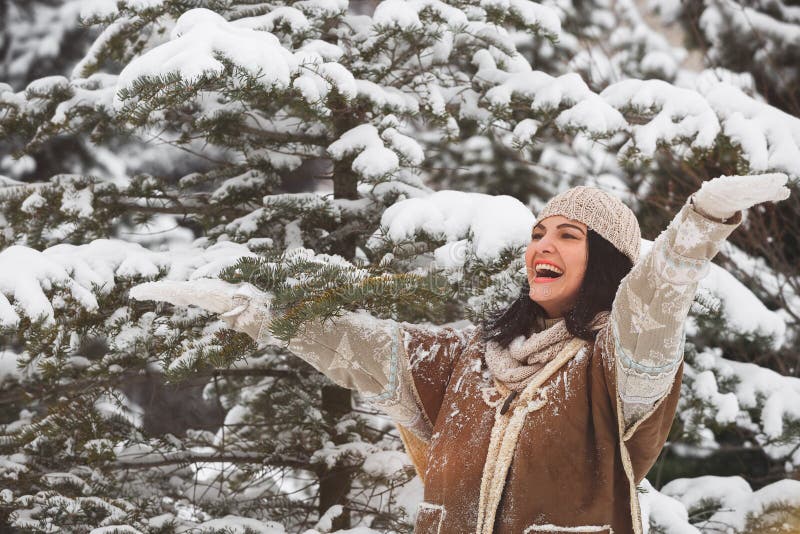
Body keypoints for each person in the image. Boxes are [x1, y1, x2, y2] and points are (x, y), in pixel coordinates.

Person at [131, 174, 790, 534]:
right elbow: (356, 347)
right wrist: (258, 310)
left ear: (608, 261)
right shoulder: (467, 354)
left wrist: (695, 230)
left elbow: (651, 310)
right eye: (537, 234)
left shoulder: (616, 367)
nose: (542, 246)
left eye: (567, 235)